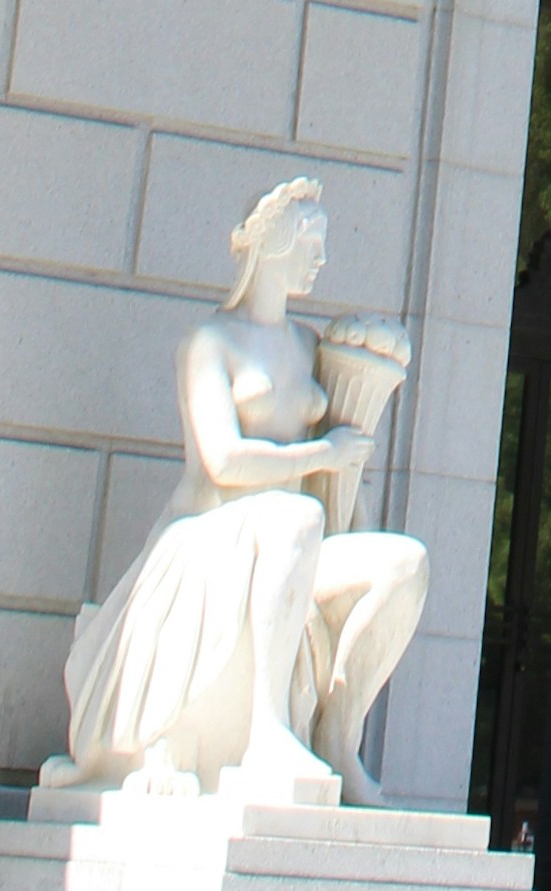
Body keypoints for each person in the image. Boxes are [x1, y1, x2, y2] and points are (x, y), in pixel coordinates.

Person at [57, 177, 424, 805]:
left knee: (403, 563)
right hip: (208, 534)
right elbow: (221, 459)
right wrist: (321, 453)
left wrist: (348, 482)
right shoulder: (209, 344)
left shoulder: (309, 346)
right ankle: (266, 731)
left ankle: (338, 738)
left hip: (293, 532)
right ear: (274, 243)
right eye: (311, 242)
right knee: (294, 517)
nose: (321, 259)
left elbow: (334, 474)